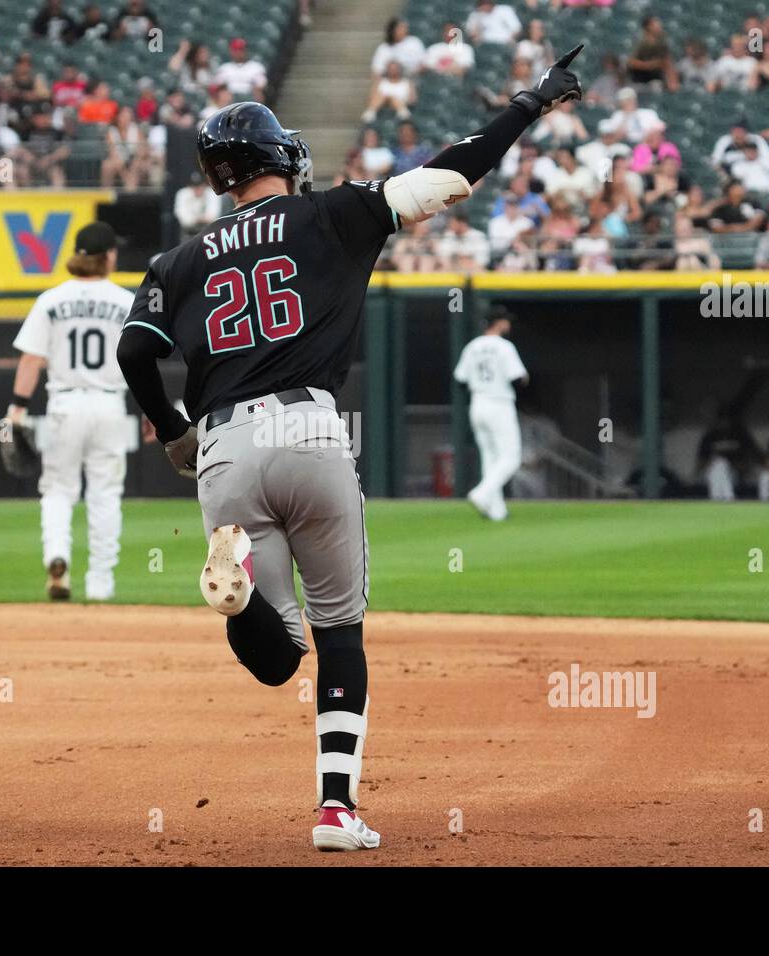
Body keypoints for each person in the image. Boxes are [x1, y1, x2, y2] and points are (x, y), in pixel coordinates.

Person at [114, 50, 584, 851]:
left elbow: (132, 350)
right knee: (340, 632)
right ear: (277, 159)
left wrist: (173, 427)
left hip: (224, 443)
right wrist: (528, 105)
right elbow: (451, 174)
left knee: (276, 654)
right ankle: (336, 810)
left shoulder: (178, 259)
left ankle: (238, 597)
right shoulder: (332, 213)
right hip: (310, 428)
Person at [6, 222, 134, 602]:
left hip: (64, 403)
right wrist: (151, 412)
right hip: (110, 403)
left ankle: (57, 557)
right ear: (108, 255)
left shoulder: (51, 300)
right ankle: (100, 583)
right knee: (105, 494)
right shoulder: (126, 301)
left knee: (58, 491)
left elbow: (31, 359)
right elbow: (138, 360)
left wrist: (18, 409)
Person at [453, 308, 528, 520]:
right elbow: (516, 379)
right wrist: (525, 379)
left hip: (478, 403)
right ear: (499, 323)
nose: (509, 325)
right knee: (511, 457)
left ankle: (496, 510)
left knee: (490, 457)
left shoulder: (472, 346)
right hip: (499, 403)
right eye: (506, 321)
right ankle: (482, 492)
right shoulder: (505, 347)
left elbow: (460, 380)